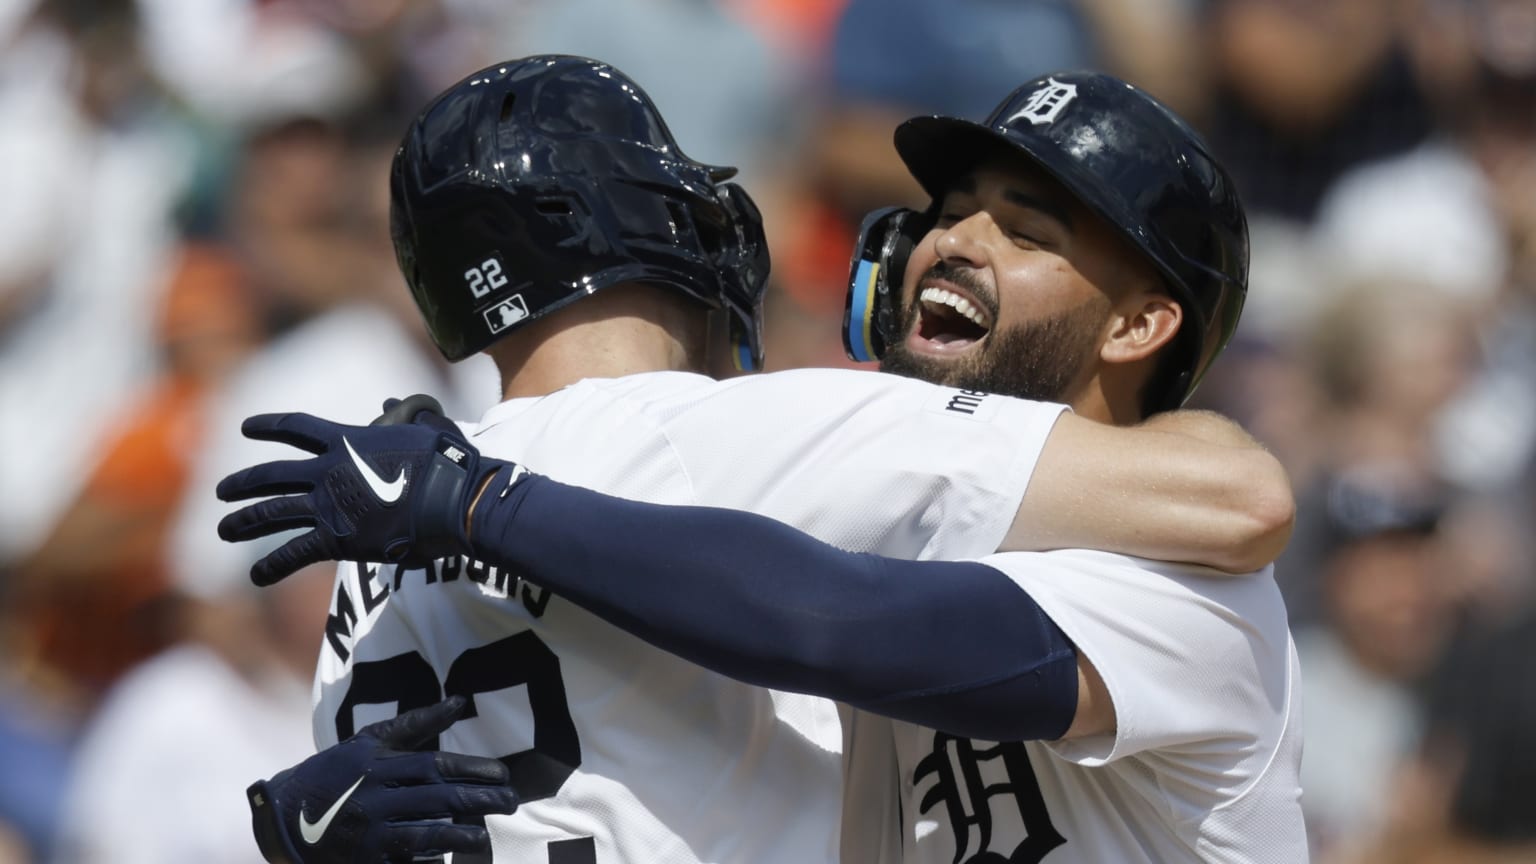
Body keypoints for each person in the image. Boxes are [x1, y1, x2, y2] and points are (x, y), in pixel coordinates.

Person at [220, 59, 1293, 863]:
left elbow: (839, 625)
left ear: (1139, 326)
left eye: (1025, 228)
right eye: (952, 211)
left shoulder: (1188, 586)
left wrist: (480, 503)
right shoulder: (819, 493)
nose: (952, 241)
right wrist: (307, 835)